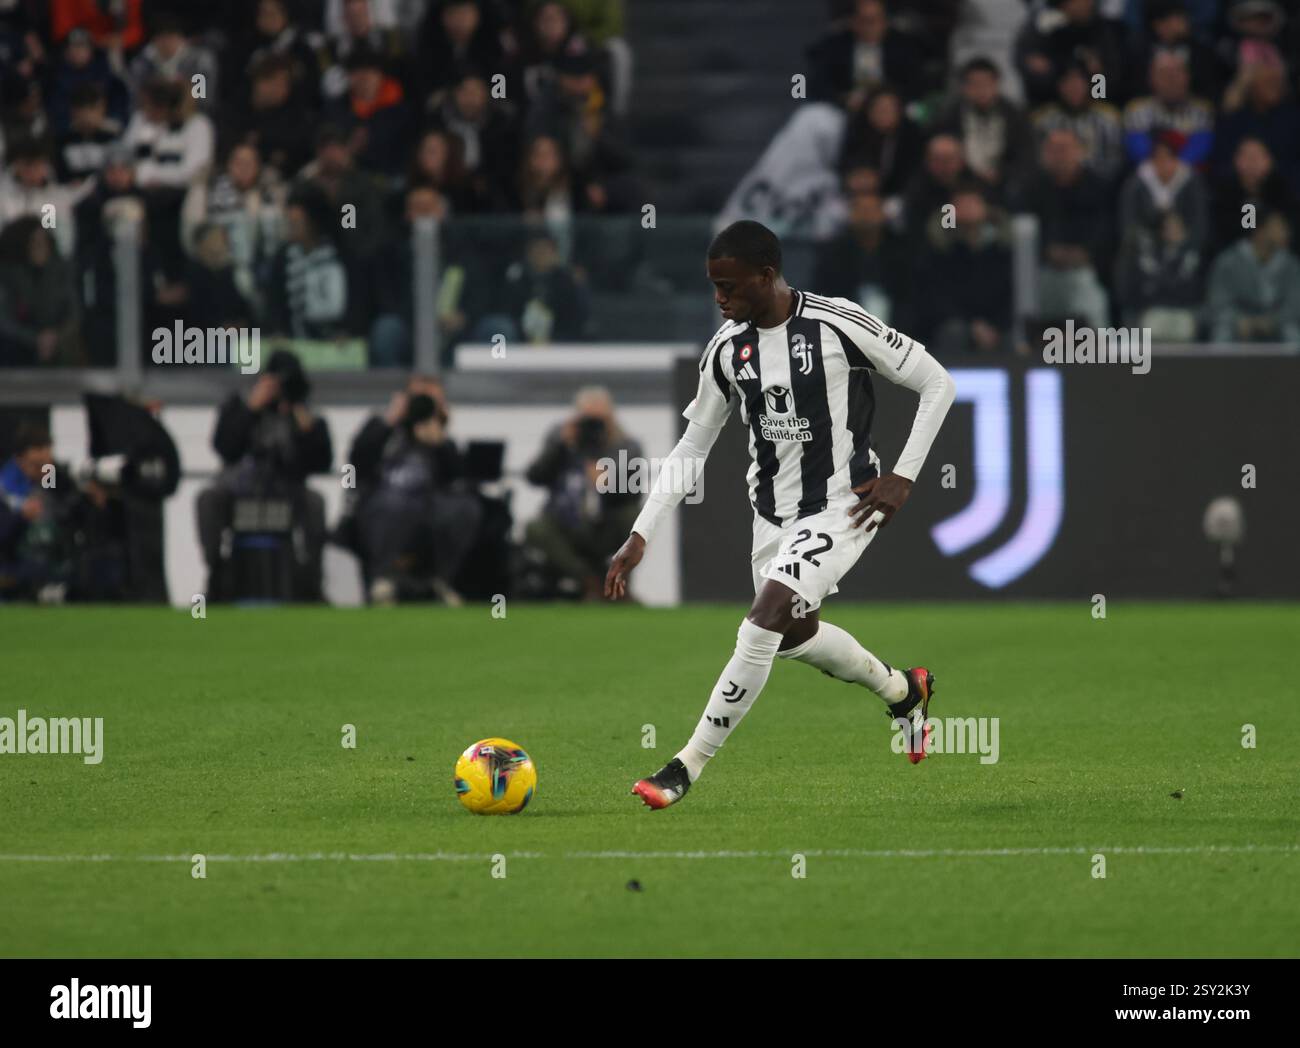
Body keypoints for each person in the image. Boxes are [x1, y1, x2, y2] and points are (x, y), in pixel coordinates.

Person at [607, 220, 955, 809]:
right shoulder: (726, 350)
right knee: (795, 634)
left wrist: (903, 475)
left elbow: (936, 382)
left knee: (762, 620)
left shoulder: (837, 322)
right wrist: (641, 534)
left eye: (730, 286)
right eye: (714, 286)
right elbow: (693, 448)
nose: (720, 299)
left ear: (766, 276)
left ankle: (684, 766)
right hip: (771, 518)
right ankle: (902, 690)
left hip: (843, 507)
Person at [196, 349, 333, 600]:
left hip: (287, 493)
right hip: (239, 492)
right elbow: (224, 447)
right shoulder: (240, 407)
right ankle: (216, 575)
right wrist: (252, 408)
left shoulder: (307, 416)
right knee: (207, 499)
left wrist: (304, 424)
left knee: (316, 503)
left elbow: (321, 462)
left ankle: (312, 583)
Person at [347, 376, 482, 605]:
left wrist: (439, 442)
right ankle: (384, 579)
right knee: (394, 506)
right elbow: (356, 461)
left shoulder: (437, 435)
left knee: (465, 509)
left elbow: (460, 478)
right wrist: (391, 421)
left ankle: (441, 580)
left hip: (429, 504)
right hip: (385, 499)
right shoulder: (382, 425)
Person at [525, 386, 643, 600]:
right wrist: (560, 445)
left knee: (633, 518)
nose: (592, 428)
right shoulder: (561, 439)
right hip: (566, 522)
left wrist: (608, 482)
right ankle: (591, 582)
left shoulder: (626, 445)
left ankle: (619, 583)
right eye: (587, 420)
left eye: (598, 421)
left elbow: (633, 496)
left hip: (605, 524)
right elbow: (535, 476)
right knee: (536, 528)